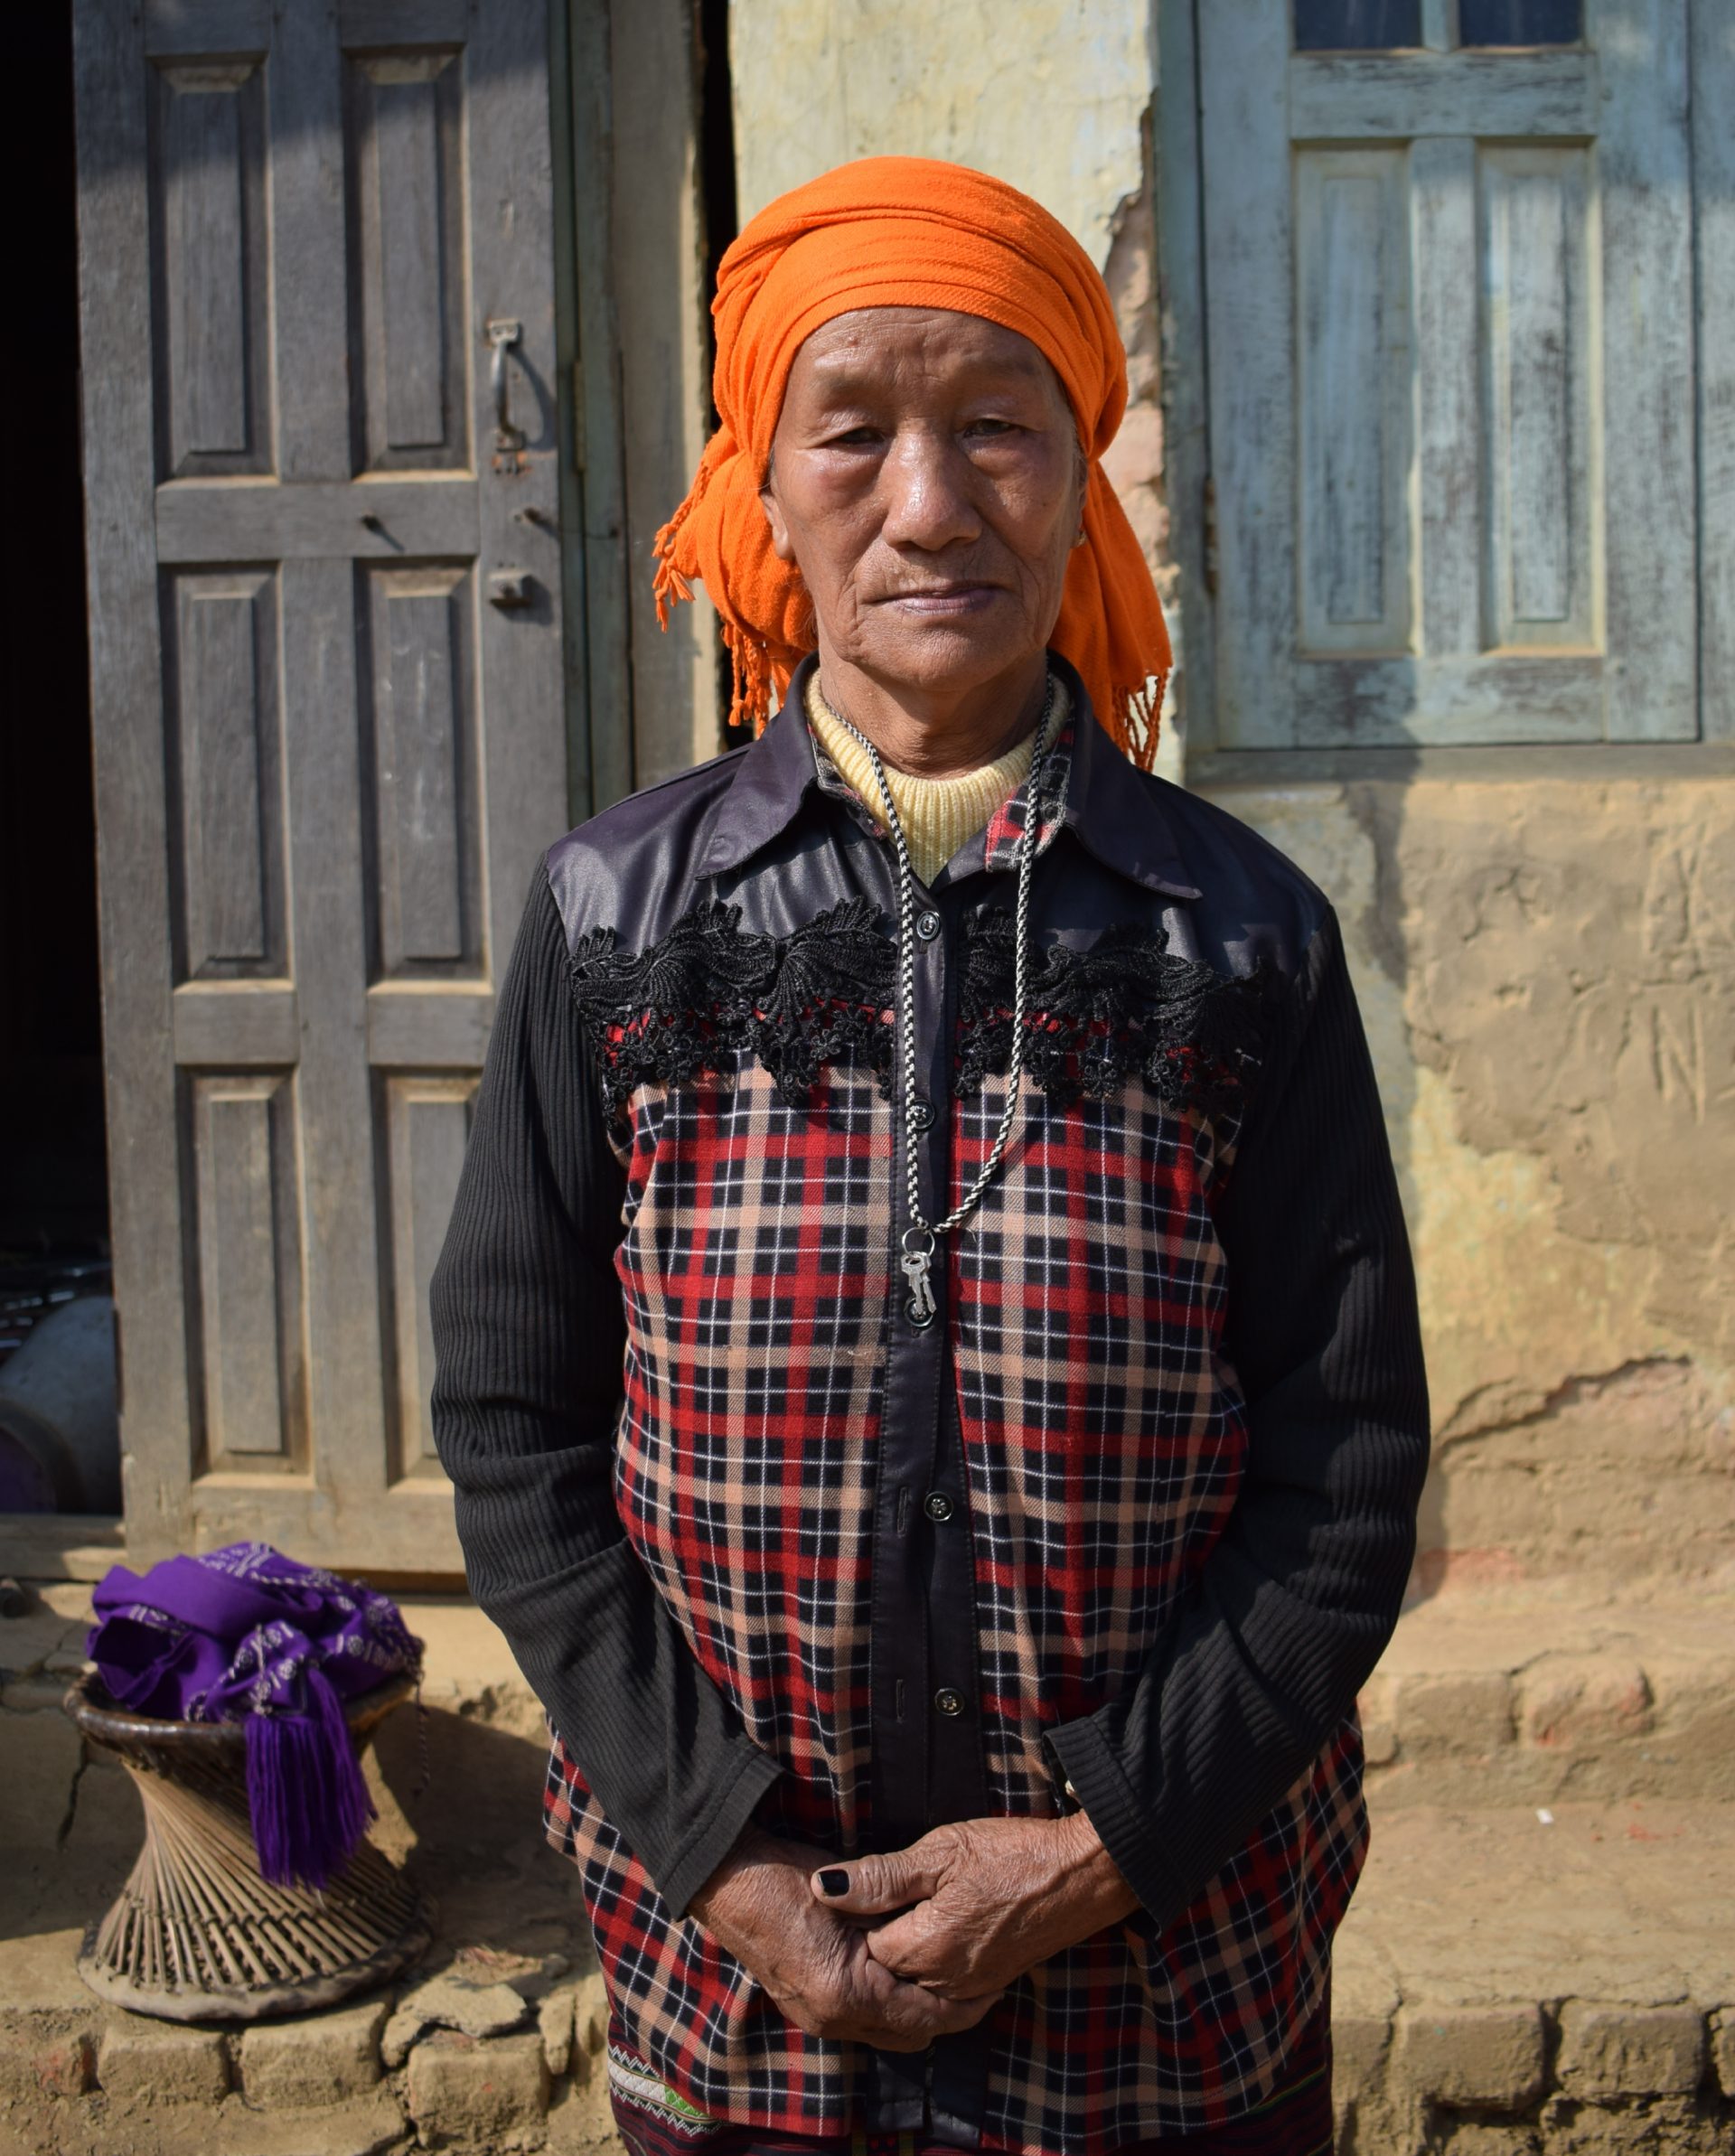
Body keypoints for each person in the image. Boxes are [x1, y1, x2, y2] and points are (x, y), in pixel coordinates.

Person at [431, 156, 1428, 2156]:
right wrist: (721, 1855)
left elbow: (1345, 1480)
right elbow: (517, 1433)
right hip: (740, 1982)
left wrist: (1096, 1845)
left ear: (1078, 473)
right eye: (855, 431)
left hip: (1164, 1968)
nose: (927, 503)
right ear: (766, 480)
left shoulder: (1243, 937)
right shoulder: (616, 913)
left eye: (995, 426)